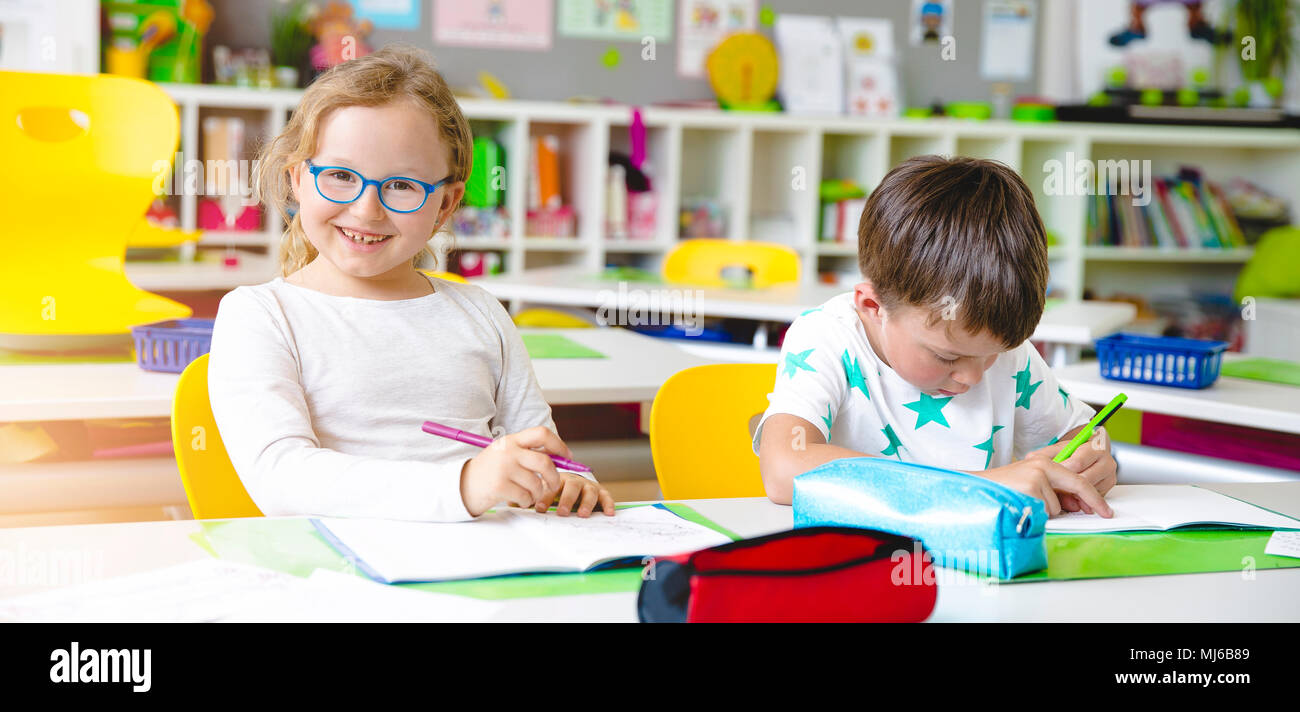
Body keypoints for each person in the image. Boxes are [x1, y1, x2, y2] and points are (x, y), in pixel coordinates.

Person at [209, 45, 613, 521]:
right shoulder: (260, 315)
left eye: (402, 185)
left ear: (446, 204)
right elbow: (282, 479)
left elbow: (538, 452)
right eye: (340, 175)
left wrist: (566, 483)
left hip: (486, 569)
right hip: (338, 575)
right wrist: (463, 485)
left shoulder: (481, 312)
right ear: (298, 180)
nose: (366, 209)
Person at [756, 155, 1116, 518]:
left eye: (991, 354)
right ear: (873, 306)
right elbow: (784, 468)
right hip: (862, 559)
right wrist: (978, 487)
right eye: (947, 357)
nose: (973, 377)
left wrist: (1091, 457)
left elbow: (1083, 433)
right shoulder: (826, 338)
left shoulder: (1006, 352)